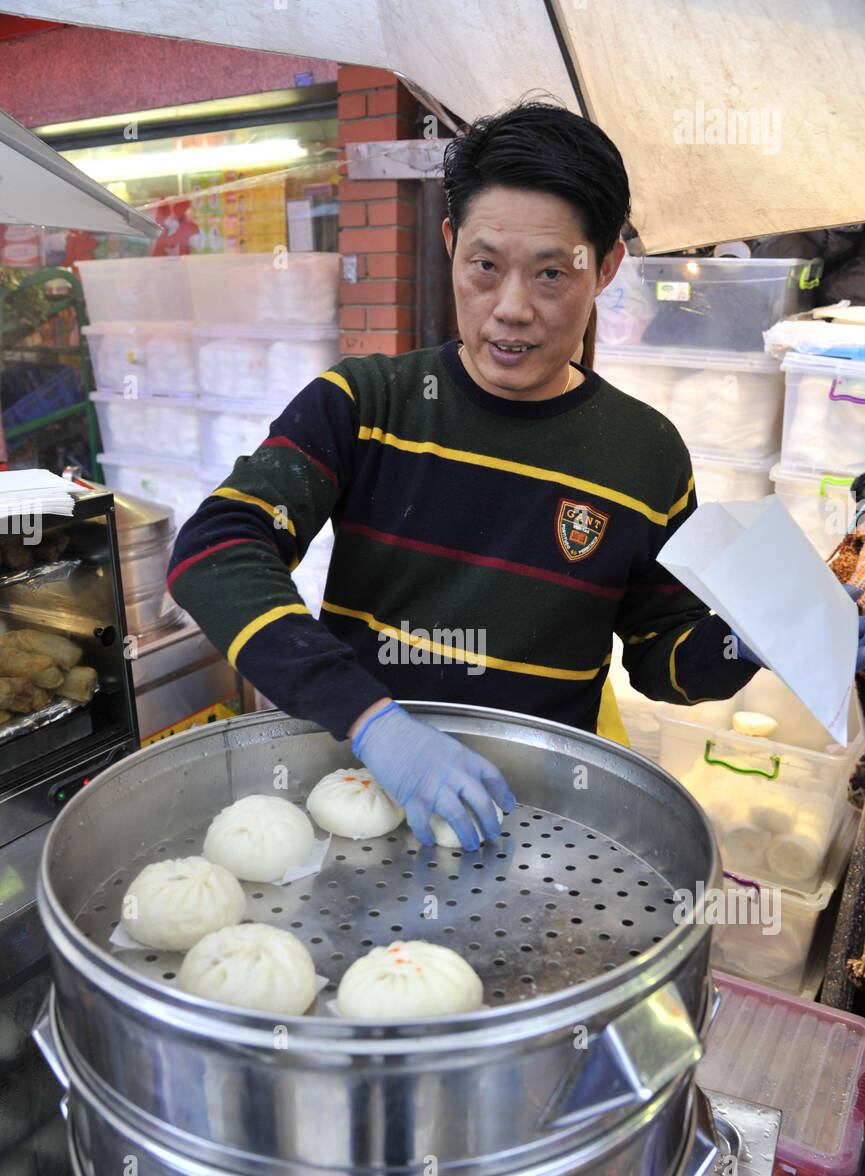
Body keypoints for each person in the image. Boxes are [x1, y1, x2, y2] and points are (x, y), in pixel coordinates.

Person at [165, 100, 791, 850]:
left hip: (539, 821)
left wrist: (756, 638)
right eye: (484, 268)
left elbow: (661, 657)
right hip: (363, 794)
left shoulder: (645, 452)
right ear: (449, 244)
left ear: (607, 267)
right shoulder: (365, 405)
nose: (511, 310)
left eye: (551, 274)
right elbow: (215, 552)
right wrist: (374, 723)